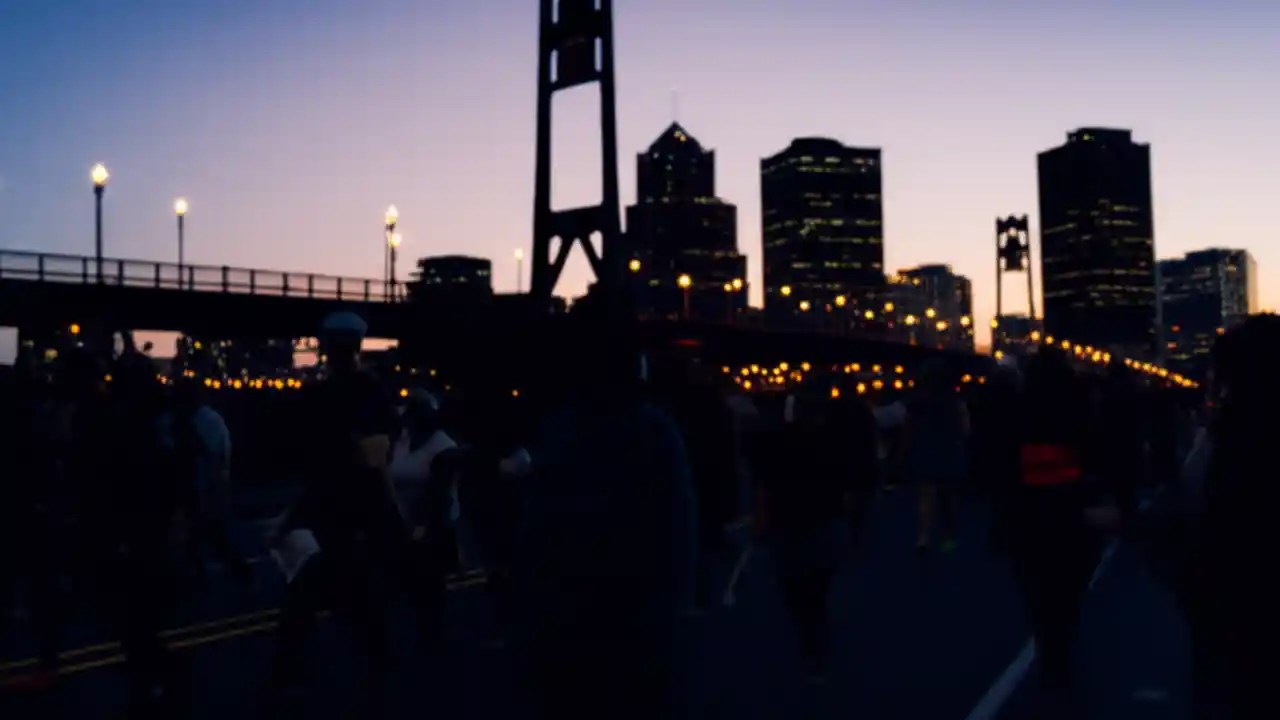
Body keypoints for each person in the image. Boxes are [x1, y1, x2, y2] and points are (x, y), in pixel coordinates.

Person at [512, 309, 696, 720]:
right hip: (634, 592)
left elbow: (538, 515)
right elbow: (678, 518)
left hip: (571, 594)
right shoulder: (654, 429)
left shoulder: (560, 427)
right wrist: (677, 596)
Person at [267, 311, 402, 697]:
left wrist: (294, 513)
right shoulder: (374, 394)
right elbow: (379, 460)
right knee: (355, 599)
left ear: (327, 348)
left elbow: (304, 459)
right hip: (360, 509)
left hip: (326, 508)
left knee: (311, 598)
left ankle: (287, 680)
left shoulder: (317, 396)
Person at [1007, 348, 1102, 705]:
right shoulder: (1079, 406)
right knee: (1069, 585)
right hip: (1070, 506)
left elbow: (1004, 460)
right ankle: (1061, 646)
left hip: (1030, 509)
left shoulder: (1019, 407)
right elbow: (1094, 450)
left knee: (1037, 587)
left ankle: (1049, 646)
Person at [751, 386, 853, 682]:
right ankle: (817, 643)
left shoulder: (776, 443)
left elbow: (764, 487)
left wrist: (761, 522)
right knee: (817, 590)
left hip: (788, 527)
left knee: (794, 590)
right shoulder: (831, 443)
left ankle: (811, 640)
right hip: (824, 525)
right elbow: (843, 485)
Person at [387, 387, 459, 651]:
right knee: (407, 589)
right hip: (402, 523)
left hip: (432, 524)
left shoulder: (443, 447)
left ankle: (433, 642)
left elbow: (439, 495)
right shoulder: (404, 442)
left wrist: (423, 526)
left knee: (429, 586)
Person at [160, 378, 249, 588]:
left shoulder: (204, 421)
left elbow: (217, 457)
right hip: (190, 487)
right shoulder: (198, 421)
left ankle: (232, 572)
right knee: (202, 537)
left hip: (200, 486)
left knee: (208, 535)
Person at [897, 360, 969, 552]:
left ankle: (923, 536)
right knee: (948, 495)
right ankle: (948, 536)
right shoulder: (955, 403)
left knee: (926, 494)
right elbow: (965, 429)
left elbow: (908, 429)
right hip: (949, 449)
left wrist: (905, 452)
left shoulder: (917, 403)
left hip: (925, 449)